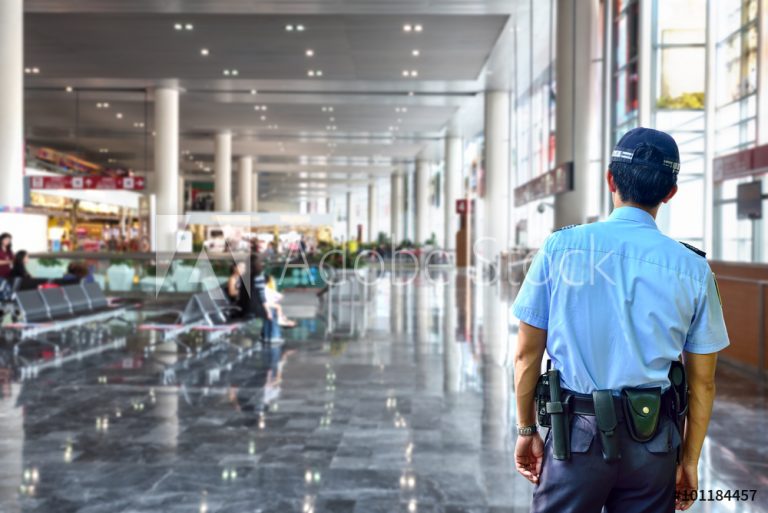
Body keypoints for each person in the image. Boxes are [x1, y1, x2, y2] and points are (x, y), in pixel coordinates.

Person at [512, 127, 729, 513]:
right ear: (670, 193)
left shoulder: (560, 248)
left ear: (610, 179)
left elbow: (526, 357)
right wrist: (689, 461)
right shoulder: (693, 268)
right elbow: (703, 382)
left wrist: (527, 429)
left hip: (573, 440)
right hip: (654, 443)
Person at [248, 255, 283, 343]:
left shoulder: (246, 277)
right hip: (253, 308)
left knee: (271, 308)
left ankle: (266, 335)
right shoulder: (258, 278)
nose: (262, 265)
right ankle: (273, 336)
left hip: (247, 306)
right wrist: (267, 311)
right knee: (272, 310)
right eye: (260, 263)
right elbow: (262, 298)